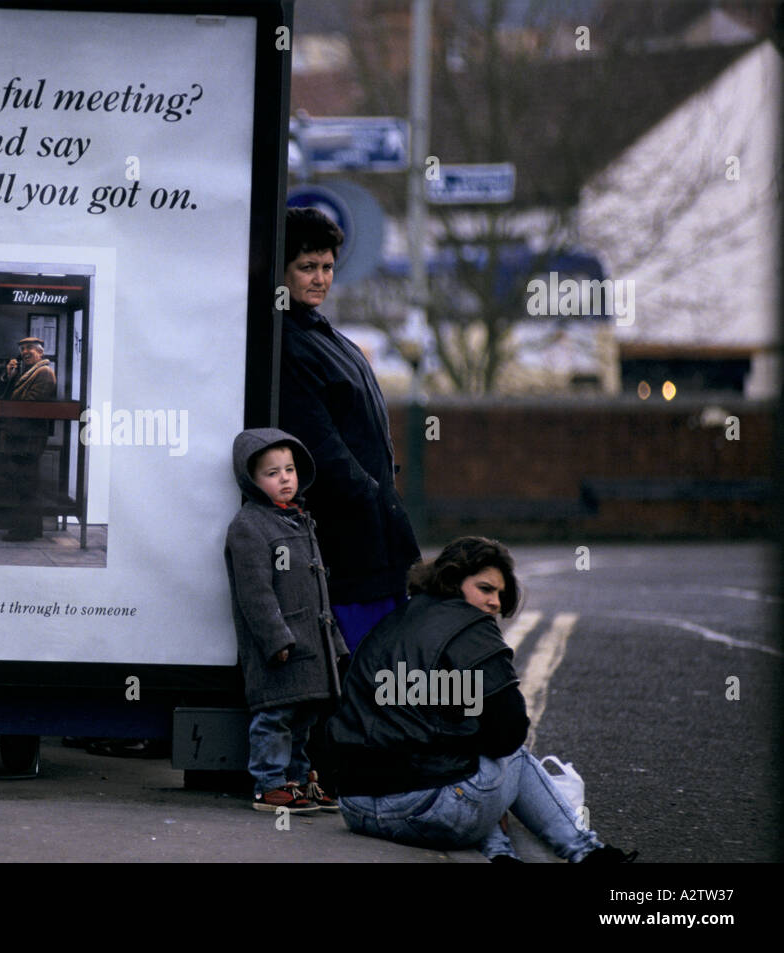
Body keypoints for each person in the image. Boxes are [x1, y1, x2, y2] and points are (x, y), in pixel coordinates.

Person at [327, 536, 638, 862]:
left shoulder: (392, 624)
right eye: (486, 589)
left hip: (356, 807)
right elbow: (510, 731)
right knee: (510, 756)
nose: (495, 603)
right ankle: (587, 853)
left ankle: (500, 852)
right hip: (428, 812)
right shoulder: (471, 627)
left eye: (500, 594)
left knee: (461, 762)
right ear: (452, 581)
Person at [278, 207, 420, 655]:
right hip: (347, 544)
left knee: (386, 661)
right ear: (280, 271)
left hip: (373, 535)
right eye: (306, 268)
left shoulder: (322, 333)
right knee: (365, 666)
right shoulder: (286, 340)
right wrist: (370, 493)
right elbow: (319, 446)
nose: (320, 278)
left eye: (327, 268)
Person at [225, 428, 346, 813]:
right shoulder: (249, 525)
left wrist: (336, 644)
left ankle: (297, 782)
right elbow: (255, 593)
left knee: (302, 718)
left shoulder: (300, 521)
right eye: (272, 473)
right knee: (274, 715)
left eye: (290, 470)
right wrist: (276, 639)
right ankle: (269, 785)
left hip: (312, 645)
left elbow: (319, 590)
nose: (285, 479)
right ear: (252, 480)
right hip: (282, 647)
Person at [0, 336, 56, 541]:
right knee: (25, 484)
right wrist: (9, 376)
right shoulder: (28, 372)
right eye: (22, 349)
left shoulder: (44, 372)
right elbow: (5, 396)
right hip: (21, 437)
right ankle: (32, 529)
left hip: (28, 438)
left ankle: (24, 531)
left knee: (25, 485)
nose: (25, 352)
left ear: (41, 352)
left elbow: (29, 406)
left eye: (30, 348)